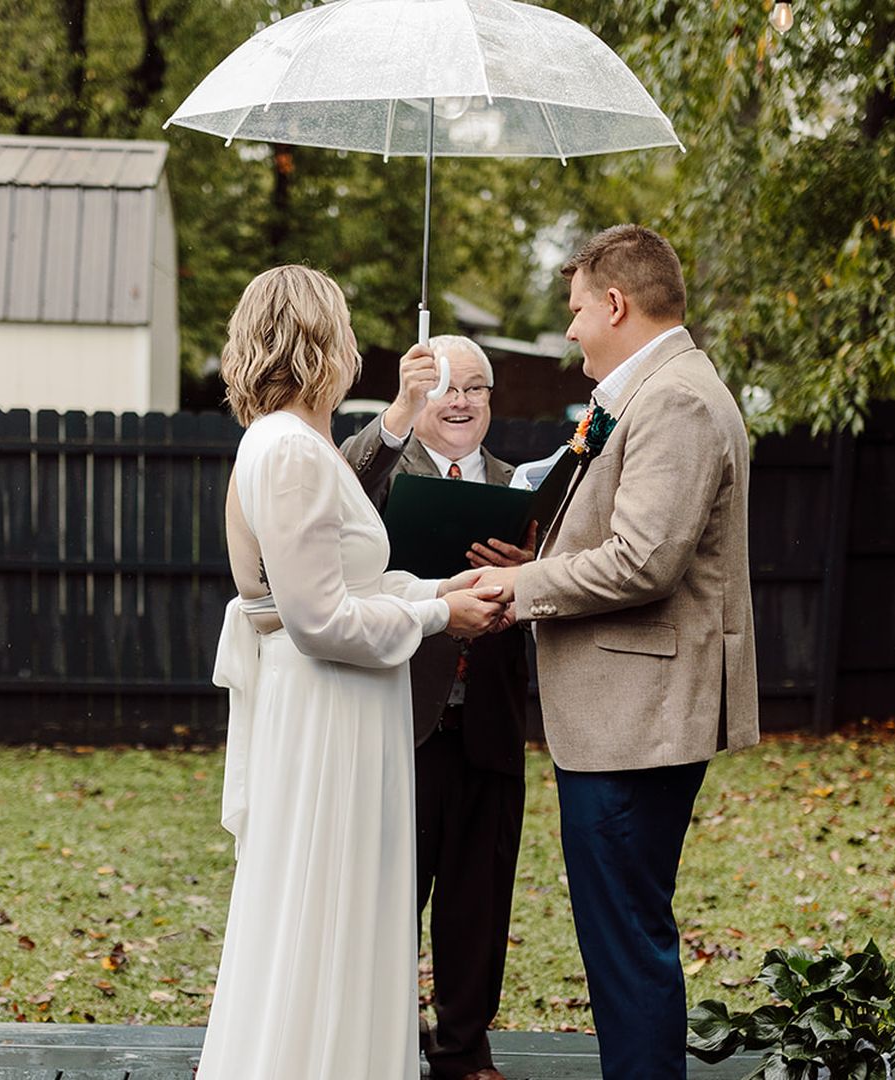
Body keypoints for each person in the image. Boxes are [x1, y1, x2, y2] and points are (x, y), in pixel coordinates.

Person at [197, 266, 507, 1080]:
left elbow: (351, 586)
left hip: (345, 714)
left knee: (342, 920)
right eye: (343, 330)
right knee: (326, 919)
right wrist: (442, 616)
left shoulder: (295, 443)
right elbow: (318, 618)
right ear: (320, 343)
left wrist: (442, 586)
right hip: (331, 717)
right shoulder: (293, 452)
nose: (355, 347)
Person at [468, 225, 761, 1080]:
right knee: (622, 932)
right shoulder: (648, 393)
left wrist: (516, 592)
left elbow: (645, 560)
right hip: (625, 710)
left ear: (616, 304)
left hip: (636, 718)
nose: (569, 331)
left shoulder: (674, 400)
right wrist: (541, 564)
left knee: (628, 939)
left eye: (576, 311)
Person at [339, 336, 533, 1080]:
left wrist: (534, 571)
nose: (459, 402)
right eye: (445, 388)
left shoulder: (525, 485)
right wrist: (395, 412)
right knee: (389, 894)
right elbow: (343, 488)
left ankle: (463, 1050)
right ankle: (384, 1041)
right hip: (399, 719)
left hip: (488, 721)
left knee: (478, 899)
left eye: (475, 389)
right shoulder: (383, 472)